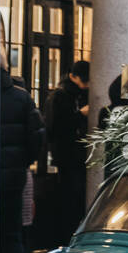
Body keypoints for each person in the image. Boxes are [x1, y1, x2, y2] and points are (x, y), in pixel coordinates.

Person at [0, 37, 45, 253]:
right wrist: (22, 163)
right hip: (12, 180)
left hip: (11, 175)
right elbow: (37, 139)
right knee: (11, 236)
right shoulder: (21, 97)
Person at [44, 59, 90, 242]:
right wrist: (80, 115)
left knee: (76, 200)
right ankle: (64, 237)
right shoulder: (60, 96)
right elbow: (54, 129)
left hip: (78, 156)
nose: (86, 85)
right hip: (67, 157)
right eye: (83, 80)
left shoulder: (79, 94)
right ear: (73, 76)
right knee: (69, 200)